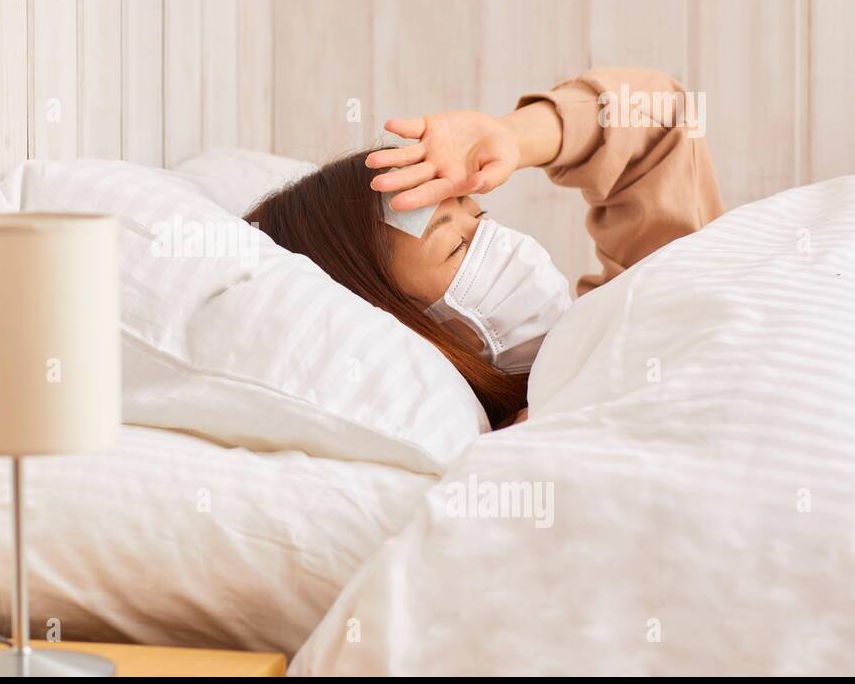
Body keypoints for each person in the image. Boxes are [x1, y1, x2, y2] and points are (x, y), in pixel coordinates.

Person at [245, 68, 724, 428]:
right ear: (405, 325)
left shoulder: (624, 313)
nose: (507, 250)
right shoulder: (530, 450)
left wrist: (511, 137)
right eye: (457, 245)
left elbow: (662, 124)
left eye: (479, 218)